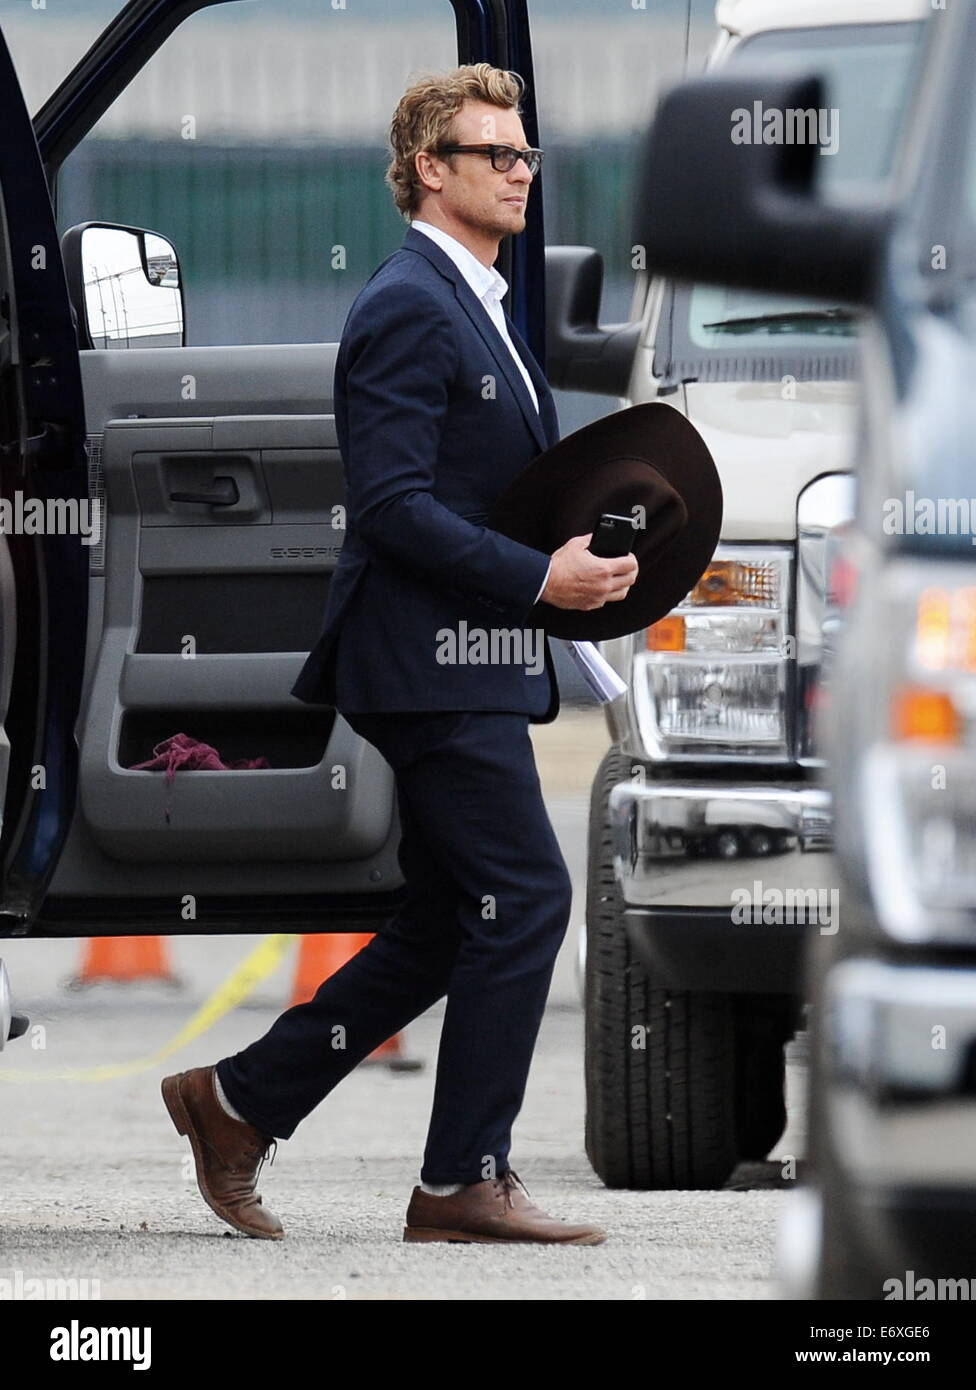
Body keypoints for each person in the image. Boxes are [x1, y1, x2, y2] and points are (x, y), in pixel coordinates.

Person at [161, 62, 637, 1245]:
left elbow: (480, 483)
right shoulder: (407, 303)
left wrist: (570, 560)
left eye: (528, 155)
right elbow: (388, 506)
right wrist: (536, 578)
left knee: (449, 915)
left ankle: (237, 1101)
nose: (522, 172)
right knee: (526, 894)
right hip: (424, 665)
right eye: (497, 154)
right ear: (432, 168)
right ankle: (460, 1179)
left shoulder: (472, 298)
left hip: (463, 658)